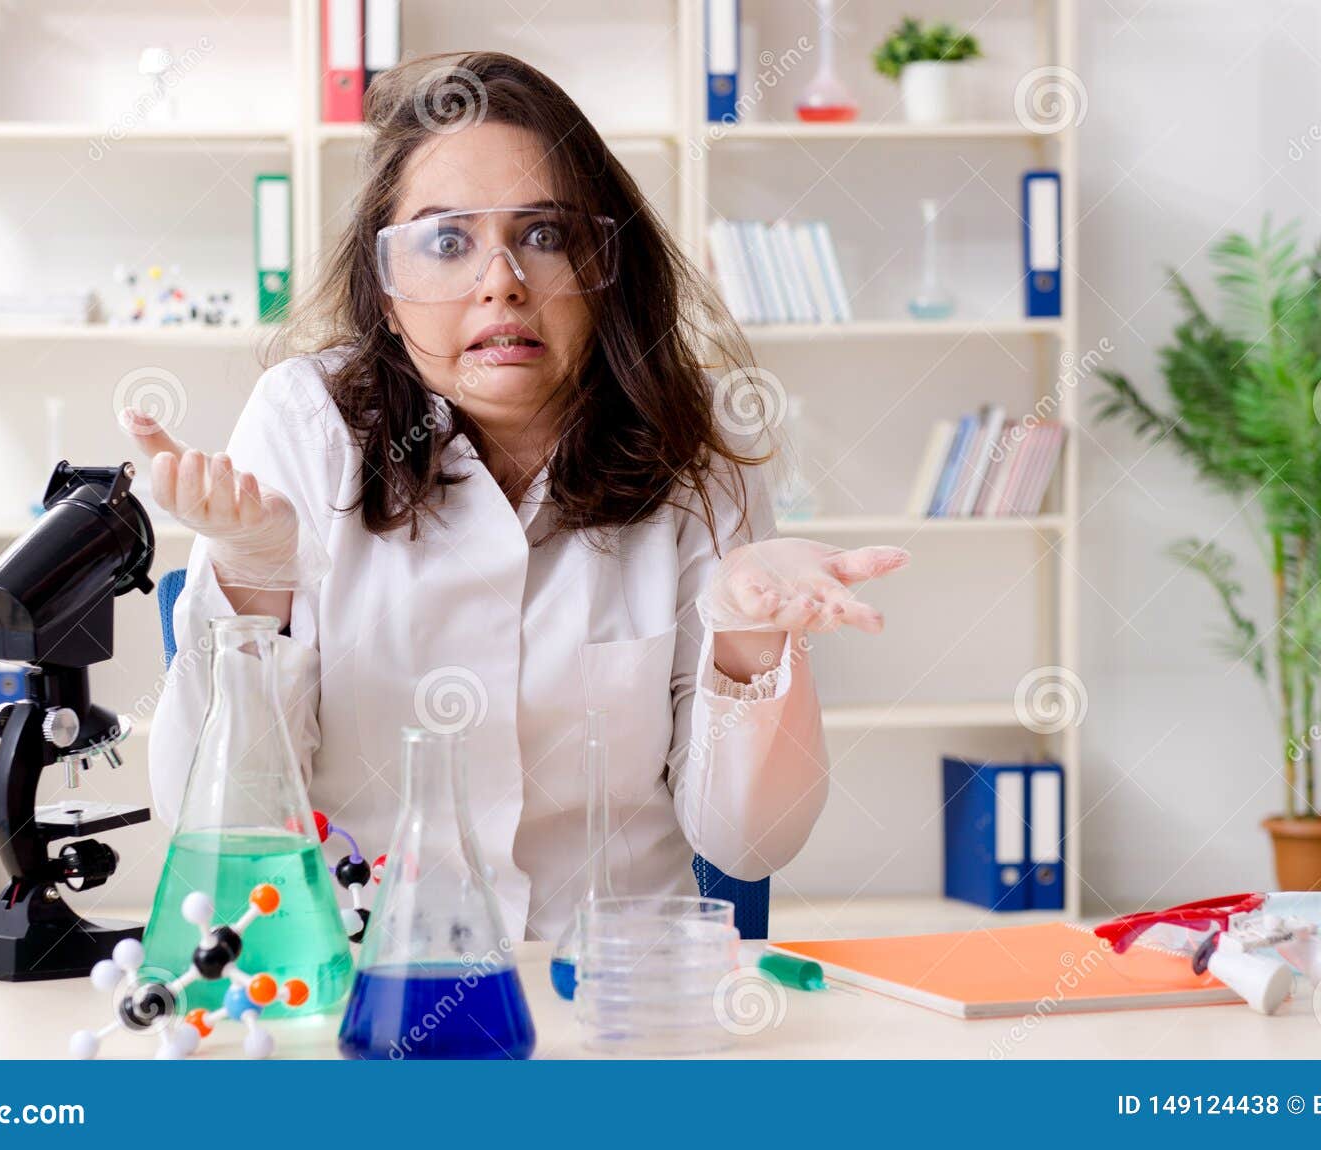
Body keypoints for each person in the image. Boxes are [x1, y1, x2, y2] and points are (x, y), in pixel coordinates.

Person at [130, 51, 908, 942]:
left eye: (544, 235)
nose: (501, 280)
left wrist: (751, 637)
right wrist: (257, 582)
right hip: (371, 977)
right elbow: (214, 828)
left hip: (614, 990)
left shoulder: (698, 460)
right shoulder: (307, 423)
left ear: (605, 270)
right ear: (386, 293)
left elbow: (750, 845)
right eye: (447, 240)